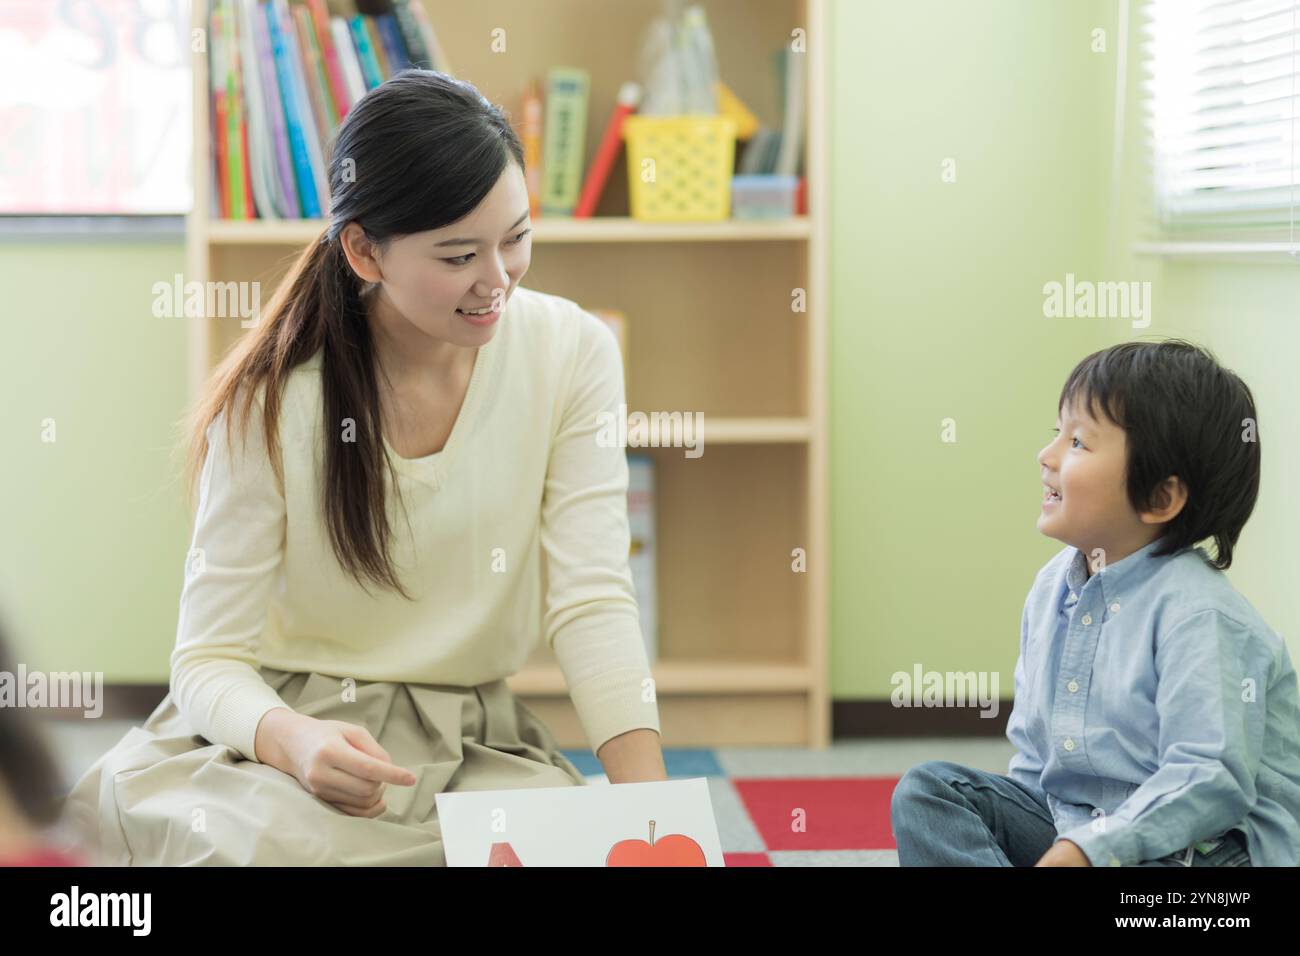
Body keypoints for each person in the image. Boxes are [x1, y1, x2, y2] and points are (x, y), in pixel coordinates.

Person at [60, 70, 666, 866]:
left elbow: (592, 599)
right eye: (458, 255)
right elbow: (206, 662)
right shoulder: (273, 401)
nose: (499, 279)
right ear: (363, 252)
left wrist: (656, 817)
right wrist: (291, 741)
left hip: (470, 746)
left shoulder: (574, 351)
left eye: (516, 237)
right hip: (276, 735)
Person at [891, 340, 1300, 867]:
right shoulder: (1052, 587)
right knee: (929, 793)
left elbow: (1211, 781)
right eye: (1055, 434)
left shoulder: (1200, 616)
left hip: (1204, 849)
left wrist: (1088, 850)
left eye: (1079, 442)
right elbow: (1038, 759)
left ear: (1160, 498)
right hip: (1077, 826)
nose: (1048, 455)